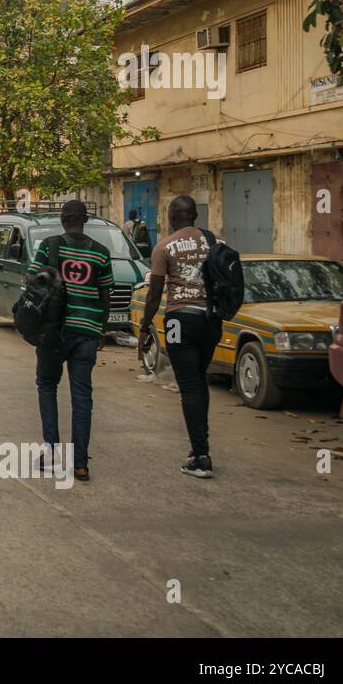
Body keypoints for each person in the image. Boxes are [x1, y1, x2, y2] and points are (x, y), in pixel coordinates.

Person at [27, 200, 113, 482]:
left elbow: (32, 281)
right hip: (87, 332)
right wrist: (100, 329)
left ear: (63, 219)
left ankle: (51, 453)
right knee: (82, 396)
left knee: (48, 386)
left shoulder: (51, 246)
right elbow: (105, 297)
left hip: (54, 332)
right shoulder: (101, 254)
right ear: (85, 219)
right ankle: (80, 465)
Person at [139, 195, 222, 479]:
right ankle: (200, 448)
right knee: (199, 380)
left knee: (189, 386)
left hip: (179, 320)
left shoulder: (164, 247)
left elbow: (154, 295)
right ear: (195, 216)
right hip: (211, 321)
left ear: (173, 216)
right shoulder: (215, 242)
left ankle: (200, 455)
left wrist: (144, 326)